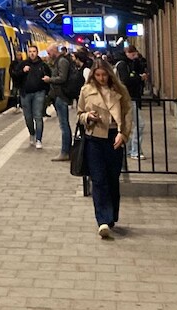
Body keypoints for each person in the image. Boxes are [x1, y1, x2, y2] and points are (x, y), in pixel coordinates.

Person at [76, 60, 133, 239]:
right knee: (99, 180)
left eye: (104, 75)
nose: (101, 78)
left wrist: (123, 134)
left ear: (110, 74)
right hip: (94, 139)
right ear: (93, 75)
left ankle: (111, 216)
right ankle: (102, 220)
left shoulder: (120, 91)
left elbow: (127, 114)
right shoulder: (86, 91)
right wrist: (87, 116)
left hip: (114, 138)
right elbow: (79, 114)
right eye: (98, 75)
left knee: (112, 179)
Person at [10, 45, 50, 149]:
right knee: (28, 117)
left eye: (34, 51)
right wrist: (22, 71)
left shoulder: (43, 65)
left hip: (39, 93)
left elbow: (49, 77)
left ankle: (39, 139)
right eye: (30, 51)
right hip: (25, 93)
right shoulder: (23, 64)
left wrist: (46, 88)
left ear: (37, 53)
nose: (32, 53)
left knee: (38, 116)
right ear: (28, 53)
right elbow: (14, 75)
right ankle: (32, 133)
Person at [115, 45, 150, 160]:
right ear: (127, 53)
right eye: (133, 54)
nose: (135, 56)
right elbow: (126, 80)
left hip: (130, 97)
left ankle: (129, 149)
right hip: (128, 98)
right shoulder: (122, 65)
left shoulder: (128, 63)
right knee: (139, 124)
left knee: (128, 125)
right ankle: (134, 150)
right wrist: (139, 78)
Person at [45, 46, 75, 161]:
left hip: (61, 96)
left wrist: (50, 80)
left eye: (49, 53)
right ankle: (66, 151)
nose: (48, 55)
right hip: (59, 96)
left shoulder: (62, 61)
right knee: (63, 124)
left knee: (64, 125)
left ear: (54, 51)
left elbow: (62, 78)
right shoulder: (59, 61)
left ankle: (65, 152)